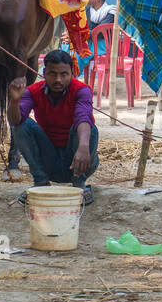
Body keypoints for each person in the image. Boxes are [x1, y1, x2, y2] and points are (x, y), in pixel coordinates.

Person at [8, 49, 100, 201]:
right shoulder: (33, 91)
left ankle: (79, 185)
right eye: (52, 73)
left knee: (89, 128)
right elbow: (14, 121)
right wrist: (14, 101)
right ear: (44, 73)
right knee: (21, 125)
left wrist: (83, 147)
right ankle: (40, 182)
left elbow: (83, 117)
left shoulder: (82, 90)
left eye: (64, 74)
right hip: (49, 159)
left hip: (78, 159)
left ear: (72, 73)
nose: (58, 79)